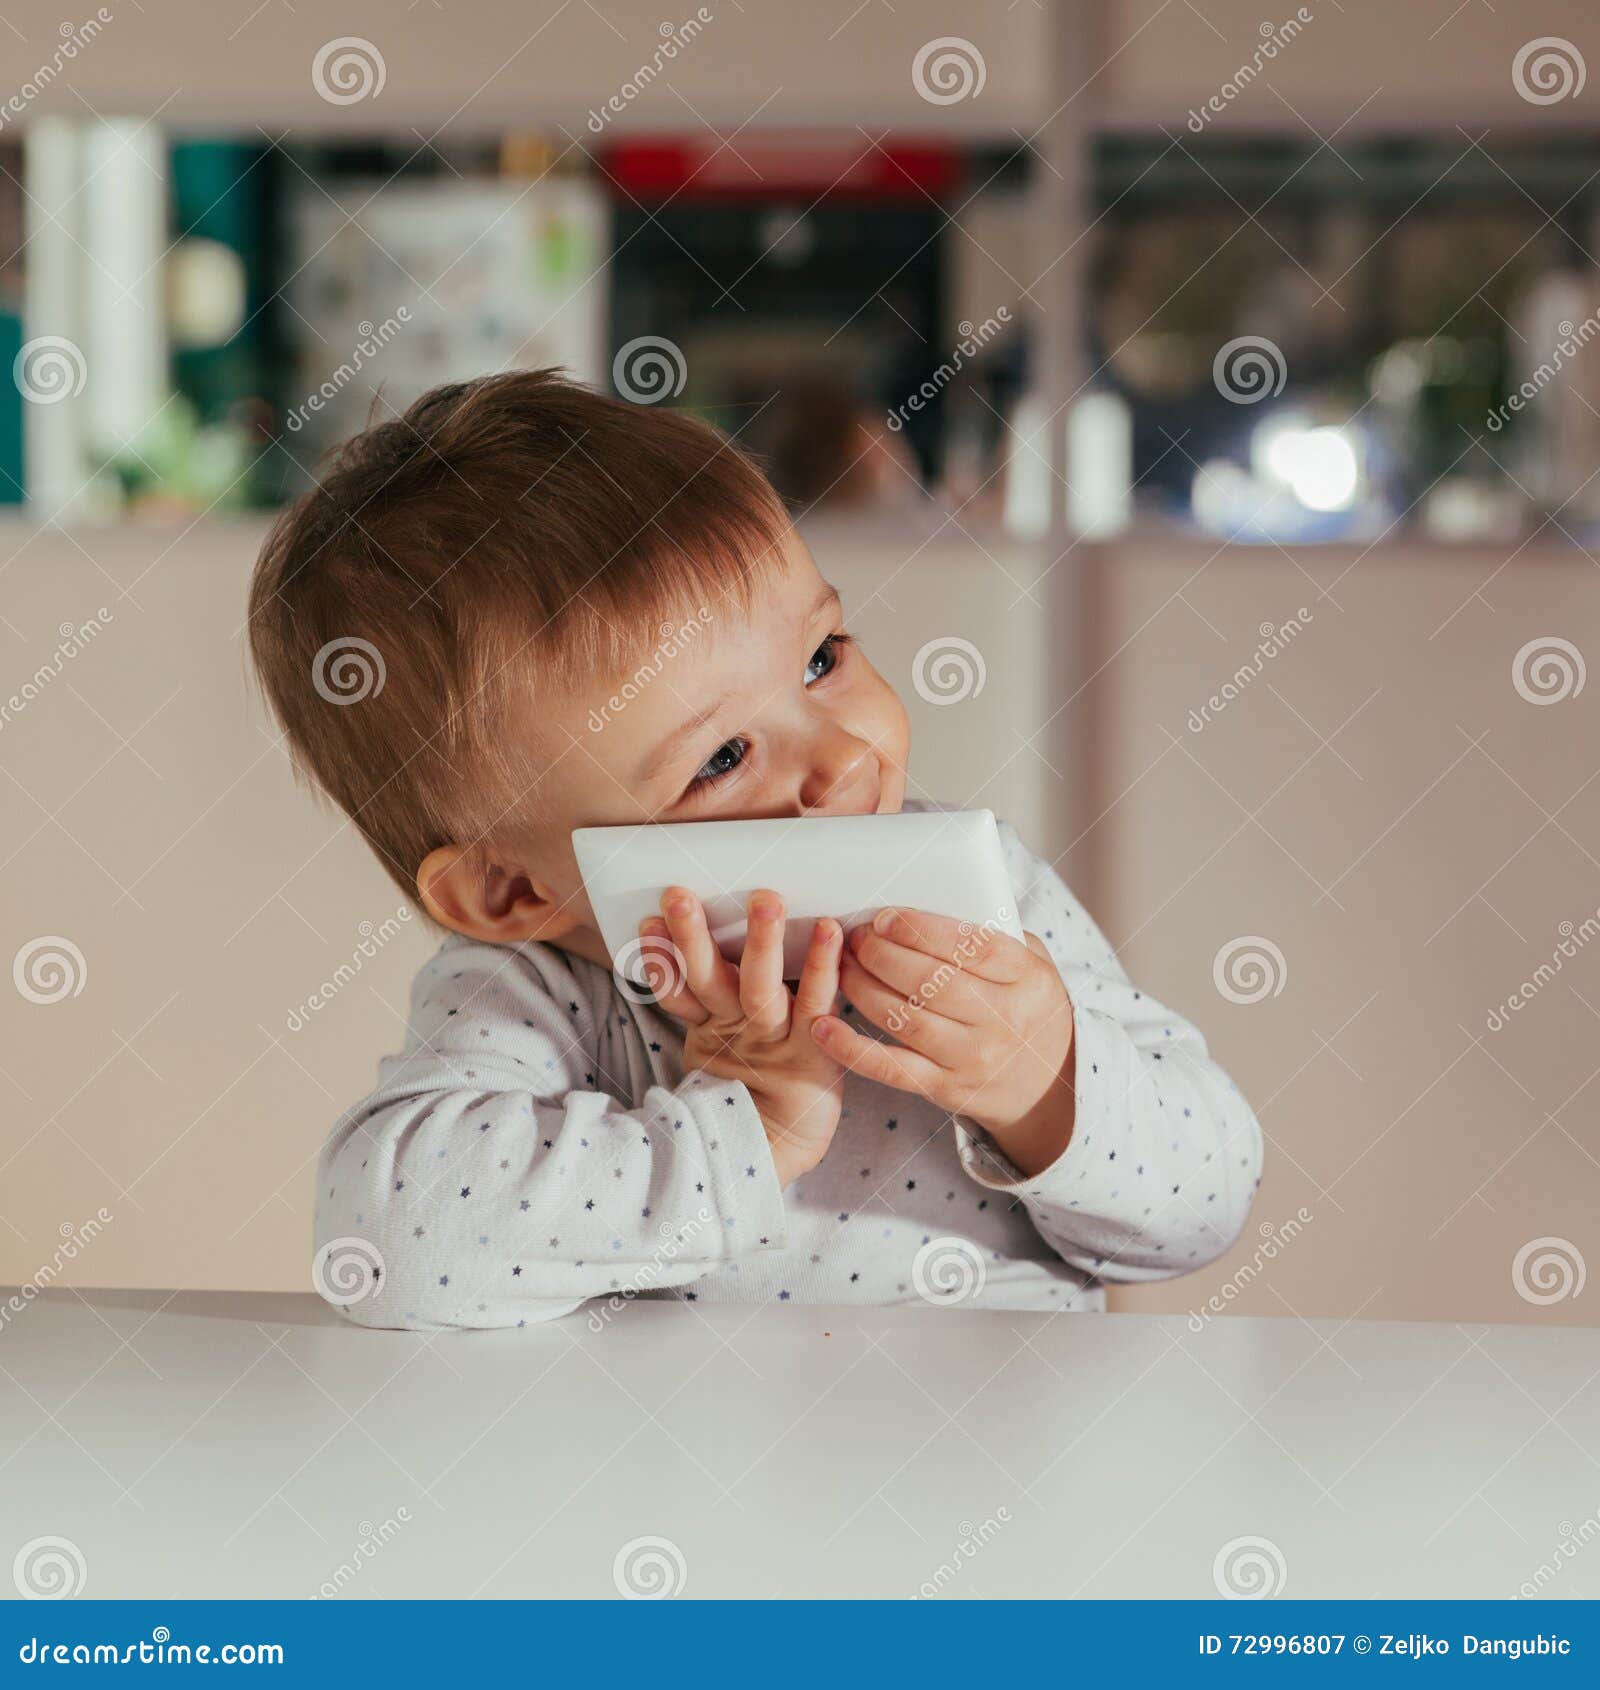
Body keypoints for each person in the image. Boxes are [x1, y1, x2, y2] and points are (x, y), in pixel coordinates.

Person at [247, 369, 1262, 1328]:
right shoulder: (538, 992)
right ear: (512, 888)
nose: (842, 755)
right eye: (723, 755)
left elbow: (1206, 1206)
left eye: (821, 659)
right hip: (674, 1501)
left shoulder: (981, 904)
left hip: (998, 1475)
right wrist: (740, 1134)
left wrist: (1043, 1082)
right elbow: (386, 1246)